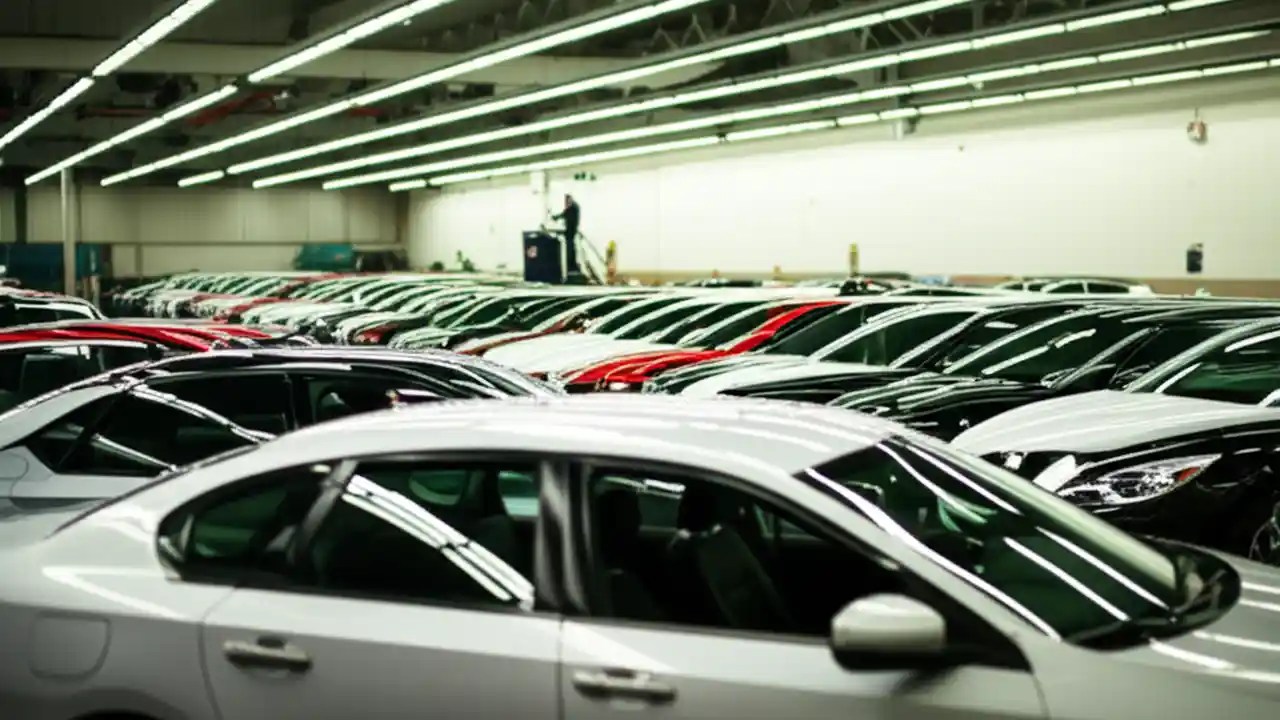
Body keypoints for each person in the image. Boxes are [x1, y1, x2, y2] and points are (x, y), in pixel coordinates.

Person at [552, 194, 582, 277]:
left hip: (570, 233)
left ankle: (572, 268)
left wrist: (555, 218)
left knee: (570, 250)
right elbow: (563, 215)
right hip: (570, 233)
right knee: (571, 250)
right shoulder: (573, 208)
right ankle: (572, 267)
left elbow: (564, 215)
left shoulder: (572, 208)